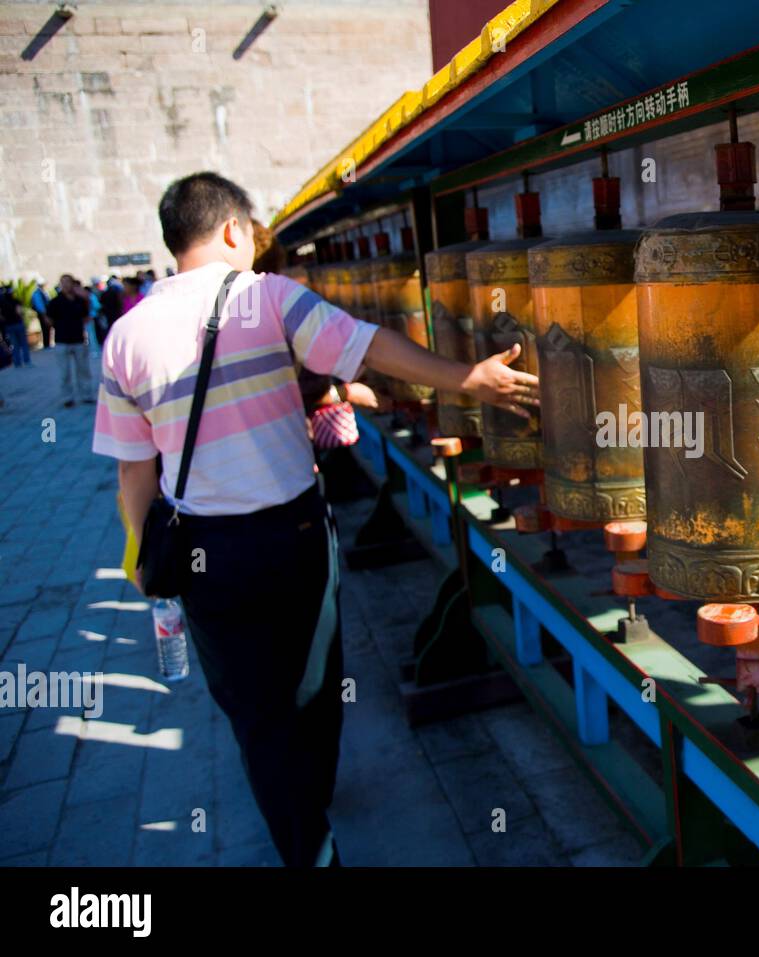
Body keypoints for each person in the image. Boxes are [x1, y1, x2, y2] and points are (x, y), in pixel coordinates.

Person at [93, 171, 537, 867]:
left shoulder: (124, 338)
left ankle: (308, 848)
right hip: (294, 537)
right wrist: (465, 379)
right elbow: (367, 346)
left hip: (208, 557)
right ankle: (314, 791)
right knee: (318, 684)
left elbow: (132, 470)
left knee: (256, 717)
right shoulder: (269, 298)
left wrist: (146, 562)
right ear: (234, 230)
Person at [48, 274, 94, 406]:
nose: (66, 285)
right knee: (65, 372)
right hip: (62, 340)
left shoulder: (80, 301)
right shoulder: (55, 302)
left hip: (78, 339)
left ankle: (86, 394)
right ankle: (67, 397)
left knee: (83, 370)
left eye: (68, 282)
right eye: (63, 283)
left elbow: (86, 316)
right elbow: (49, 319)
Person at [1, 282, 30, 367]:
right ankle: (27, 361)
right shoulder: (16, 300)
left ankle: (17, 363)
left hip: (9, 325)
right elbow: (19, 312)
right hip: (18, 323)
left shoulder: (2, 302)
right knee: (24, 343)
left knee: (14, 344)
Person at [30, 279, 51, 349]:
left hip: (45, 313)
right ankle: (46, 344)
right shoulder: (37, 293)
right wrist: (44, 314)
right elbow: (39, 305)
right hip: (43, 313)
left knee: (47, 328)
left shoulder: (42, 292)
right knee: (45, 328)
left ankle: (47, 343)